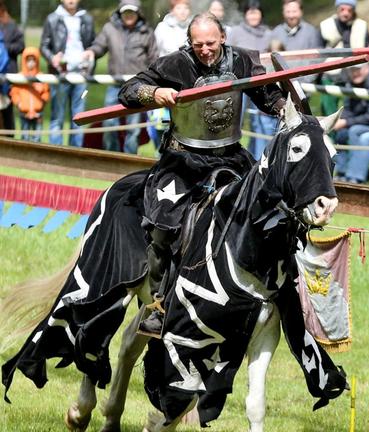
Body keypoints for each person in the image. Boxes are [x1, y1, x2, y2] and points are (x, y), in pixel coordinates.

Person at [118, 12, 286, 338]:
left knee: (267, 207)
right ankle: (157, 304)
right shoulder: (176, 65)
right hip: (184, 159)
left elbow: (266, 93)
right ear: (189, 43)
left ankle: (262, 289)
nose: (205, 50)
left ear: (222, 37)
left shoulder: (242, 61)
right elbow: (128, 89)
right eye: (198, 45)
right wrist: (154, 94)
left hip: (230, 155)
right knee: (163, 222)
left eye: (210, 43)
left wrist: (282, 105)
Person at [83, 0, 157, 154]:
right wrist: (91, 52)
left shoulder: (147, 32)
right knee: (109, 125)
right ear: (120, 13)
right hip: (114, 85)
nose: (129, 15)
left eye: (132, 12)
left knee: (134, 129)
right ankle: (113, 158)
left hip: (137, 87)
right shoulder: (109, 29)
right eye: (125, 12)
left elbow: (153, 59)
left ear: (138, 13)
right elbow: (99, 46)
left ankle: (128, 161)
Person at [40, 0, 95, 147]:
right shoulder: (52, 18)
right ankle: (55, 156)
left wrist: (91, 54)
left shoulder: (87, 19)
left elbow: (93, 45)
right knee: (57, 118)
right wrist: (52, 58)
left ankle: (75, 156)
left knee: (79, 118)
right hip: (60, 75)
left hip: (81, 77)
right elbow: (43, 46)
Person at [228, 0, 276, 160]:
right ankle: (232, 155)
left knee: (259, 124)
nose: (253, 15)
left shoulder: (269, 33)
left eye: (256, 12)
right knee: (235, 121)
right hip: (238, 83)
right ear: (245, 14)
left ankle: (258, 157)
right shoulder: (235, 32)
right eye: (250, 12)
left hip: (260, 83)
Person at [331, 62, 369, 183]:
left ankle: (355, 177)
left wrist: (347, 122)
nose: (355, 73)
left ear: (367, 68)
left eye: (358, 69)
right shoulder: (350, 85)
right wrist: (341, 122)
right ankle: (341, 173)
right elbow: (348, 109)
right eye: (352, 70)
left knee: (354, 131)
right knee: (341, 132)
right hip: (358, 124)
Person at [319, 0, 369, 116]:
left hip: (355, 76)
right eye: (342, 9)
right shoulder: (325, 25)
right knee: (329, 113)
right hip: (330, 75)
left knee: (351, 113)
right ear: (337, 9)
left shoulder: (361, 25)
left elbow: (368, 47)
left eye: (349, 10)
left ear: (353, 11)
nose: (345, 13)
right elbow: (319, 51)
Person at [9, 48, 50, 142]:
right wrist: (18, 103)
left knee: (37, 138)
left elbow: (46, 91)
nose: (31, 63)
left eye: (33, 60)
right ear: (24, 61)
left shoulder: (41, 76)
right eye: (28, 60)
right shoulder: (19, 77)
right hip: (24, 113)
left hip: (38, 113)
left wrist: (43, 102)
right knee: (25, 138)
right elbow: (14, 92)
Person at [0, 0, 25, 134]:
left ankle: (10, 142)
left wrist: (5, 49)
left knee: (7, 112)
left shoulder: (10, 25)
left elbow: (21, 45)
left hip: (7, 75)